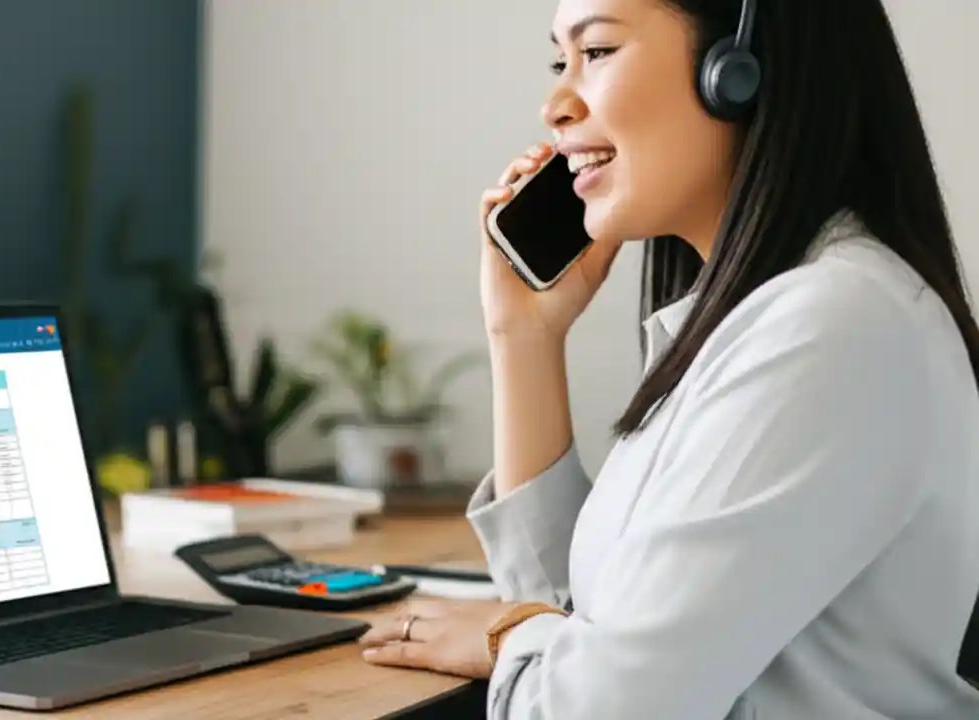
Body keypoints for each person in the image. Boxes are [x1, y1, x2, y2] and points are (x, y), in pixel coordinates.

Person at [356, 0, 979, 717]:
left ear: (734, 73)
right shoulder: (760, 323)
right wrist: (524, 341)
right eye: (561, 60)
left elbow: (593, 703)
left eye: (597, 53)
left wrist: (509, 639)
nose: (556, 104)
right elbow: (582, 620)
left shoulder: (835, 325)